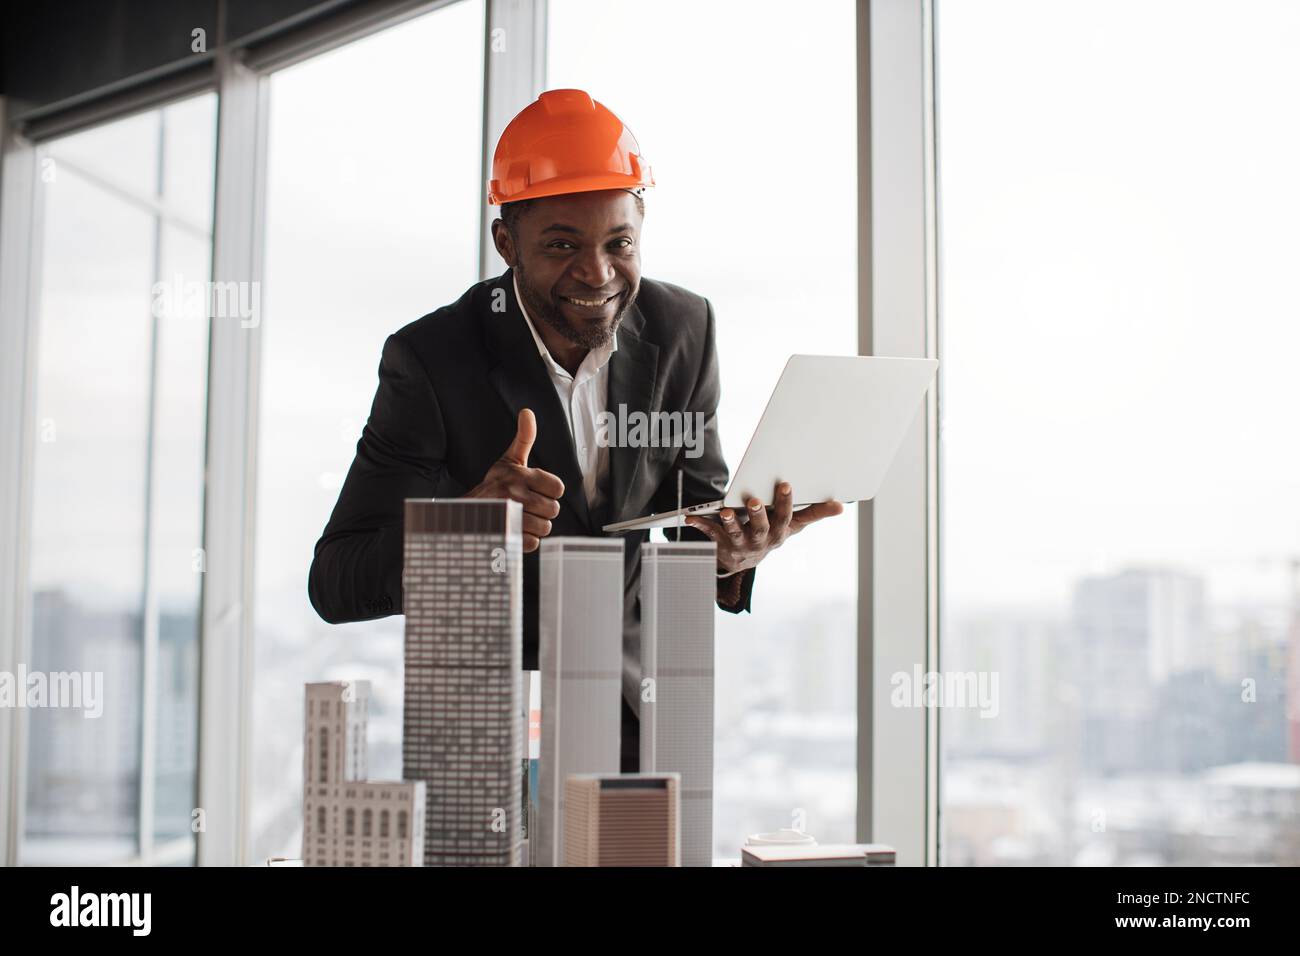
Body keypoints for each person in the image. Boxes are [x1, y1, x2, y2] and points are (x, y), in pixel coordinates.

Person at [308, 89, 843, 769]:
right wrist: (469, 525)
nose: (597, 273)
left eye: (620, 243)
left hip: (632, 716)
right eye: (563, 245)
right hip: (487, 727)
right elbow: (334, 581)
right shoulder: (433, 360)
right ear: (507, 243)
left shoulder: (683, 330)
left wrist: (734, 552)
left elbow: (692, 520)